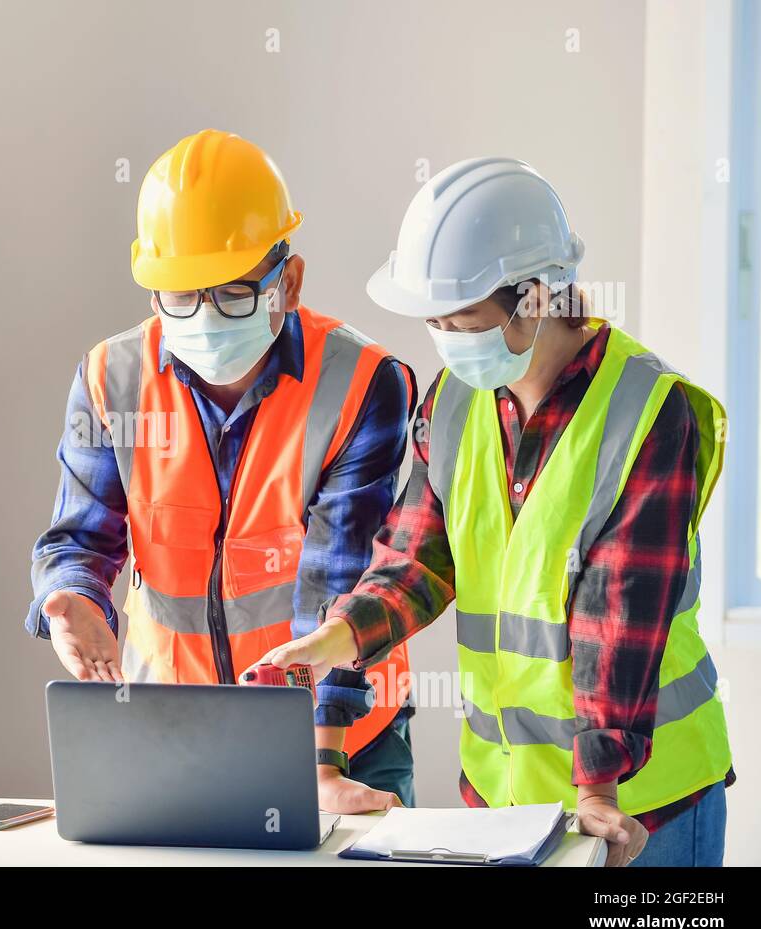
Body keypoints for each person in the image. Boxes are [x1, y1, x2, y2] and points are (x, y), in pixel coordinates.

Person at [257, 157, 734, 865]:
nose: (446, 336)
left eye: (463, 318)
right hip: (508, 806)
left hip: (642, 803)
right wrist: (333, 641)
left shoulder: (649, 412)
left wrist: (600, 789)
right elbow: (414, 560)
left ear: (536, 299)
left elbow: (619, 618)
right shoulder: (452, 403)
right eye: (436, 319)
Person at [26, 130, 418, 811]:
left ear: (287, 282)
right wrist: (73, 600)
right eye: (180, 296)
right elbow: (79, 539)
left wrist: (320, 758)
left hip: (344, 733)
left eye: (234, 293)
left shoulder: (359, 383)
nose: (205, 318)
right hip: (174, 730)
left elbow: (340, 580)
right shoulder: (110, 380)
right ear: (153, 294)